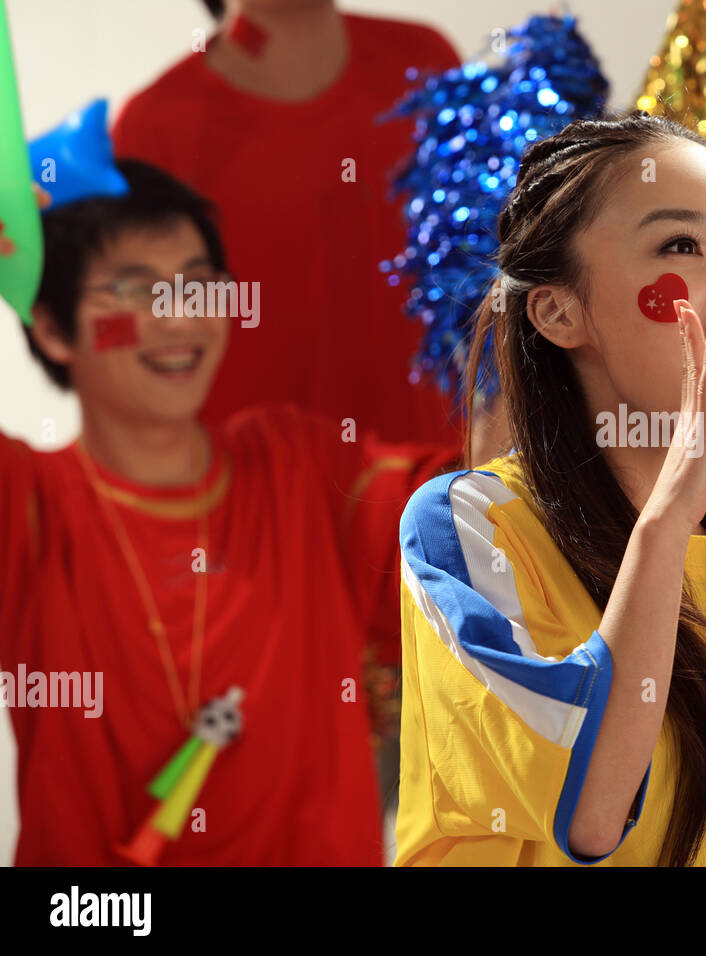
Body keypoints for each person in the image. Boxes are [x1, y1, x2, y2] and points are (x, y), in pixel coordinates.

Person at [395, 111, 706, 866]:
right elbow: (591, 808)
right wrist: (667, 519)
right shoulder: (469, 526)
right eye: (682, 246)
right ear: (560, 311)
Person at [0, 160, 454, 864]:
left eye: (197, 283)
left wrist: (510, 301)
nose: (179, 316)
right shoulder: (29, 501)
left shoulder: (299, 463)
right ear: (55, 329)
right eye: (135, 290)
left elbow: (478, 504)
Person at [112, 0, 464, 460]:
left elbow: (482, 269)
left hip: (428, 476)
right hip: (251, 495)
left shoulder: (423, 58)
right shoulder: (155, 128)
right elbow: (130, 337)